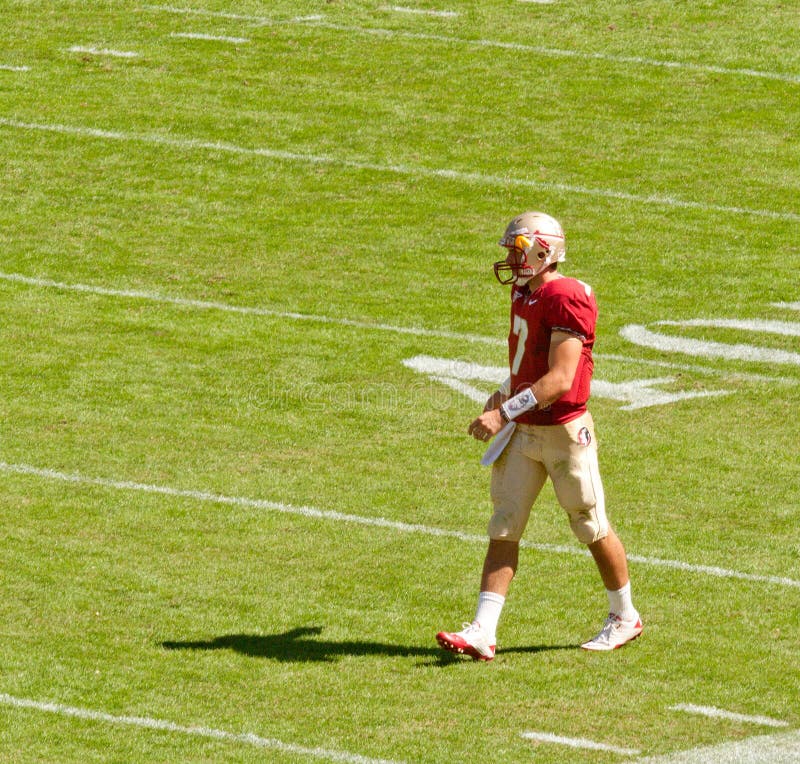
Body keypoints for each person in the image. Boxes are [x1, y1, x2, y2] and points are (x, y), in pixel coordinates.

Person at [436, 211, 642, 659]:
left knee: (589, 524)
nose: (512, 257)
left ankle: (625, 616)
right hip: (525, 429)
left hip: (564, 432)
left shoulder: (567, 295)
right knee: (504, 524)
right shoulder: (523, 292)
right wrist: (503, 392)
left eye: (518, 248)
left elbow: (561, 379)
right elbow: (529, 365)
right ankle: (482, 632)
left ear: (542, 250)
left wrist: (504, 412)